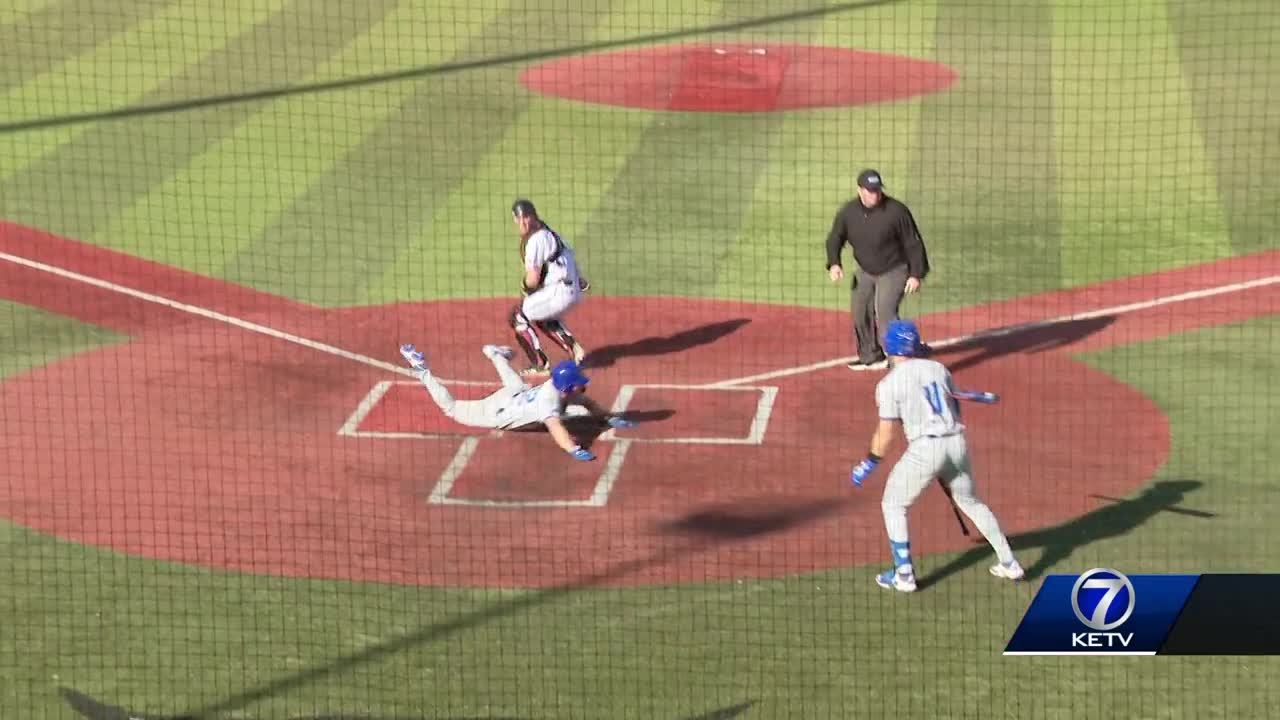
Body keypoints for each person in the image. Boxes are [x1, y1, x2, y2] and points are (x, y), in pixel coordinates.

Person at [849, 320, 1023, 593]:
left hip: (925, 450)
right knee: (970, 501)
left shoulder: (889, 383)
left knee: (893, 504)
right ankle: (1009, 562)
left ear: (890, 348)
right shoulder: (938, 369)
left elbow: (885, 435)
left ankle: (904, 575)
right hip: (956, 443)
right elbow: (954, 409)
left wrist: (868, 463)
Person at [397, 343, 632, 461]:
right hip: (498, 411)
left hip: (516, 395)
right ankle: (422, 370)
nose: (583, 385)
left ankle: (494, 354)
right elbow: (556, 428)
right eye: (579, 382)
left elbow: (588, 403)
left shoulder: (558, 388)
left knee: (516, 385)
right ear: (568, 387)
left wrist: (610, 417)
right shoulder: (549, 401)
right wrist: (574, 448)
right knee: (451, 408)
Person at [825, 169, 931, 370]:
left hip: (894, 269)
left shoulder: (896, 211)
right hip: (865, 270)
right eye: (870, 190)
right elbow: (835, 238)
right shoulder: (848, 212)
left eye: (877, 190)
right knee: (859, 312)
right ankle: (870, 356)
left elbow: (913, 243)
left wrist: (916, 274)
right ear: (860, 190)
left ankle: (898, 361)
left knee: (885, 313)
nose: (874, 194)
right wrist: (834, 263)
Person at [509, 199, 590, 376]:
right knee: (539, 312)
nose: (523, 223)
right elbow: (568, 258)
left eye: (525, 218)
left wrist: (524, 288)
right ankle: (573, 348)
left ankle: (540, 364)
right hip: (572, 288)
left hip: (559, 292)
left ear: (531, 217)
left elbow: (532, 279)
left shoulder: (535, 241)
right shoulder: (550, 232)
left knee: (518, 316)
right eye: (520, 219)